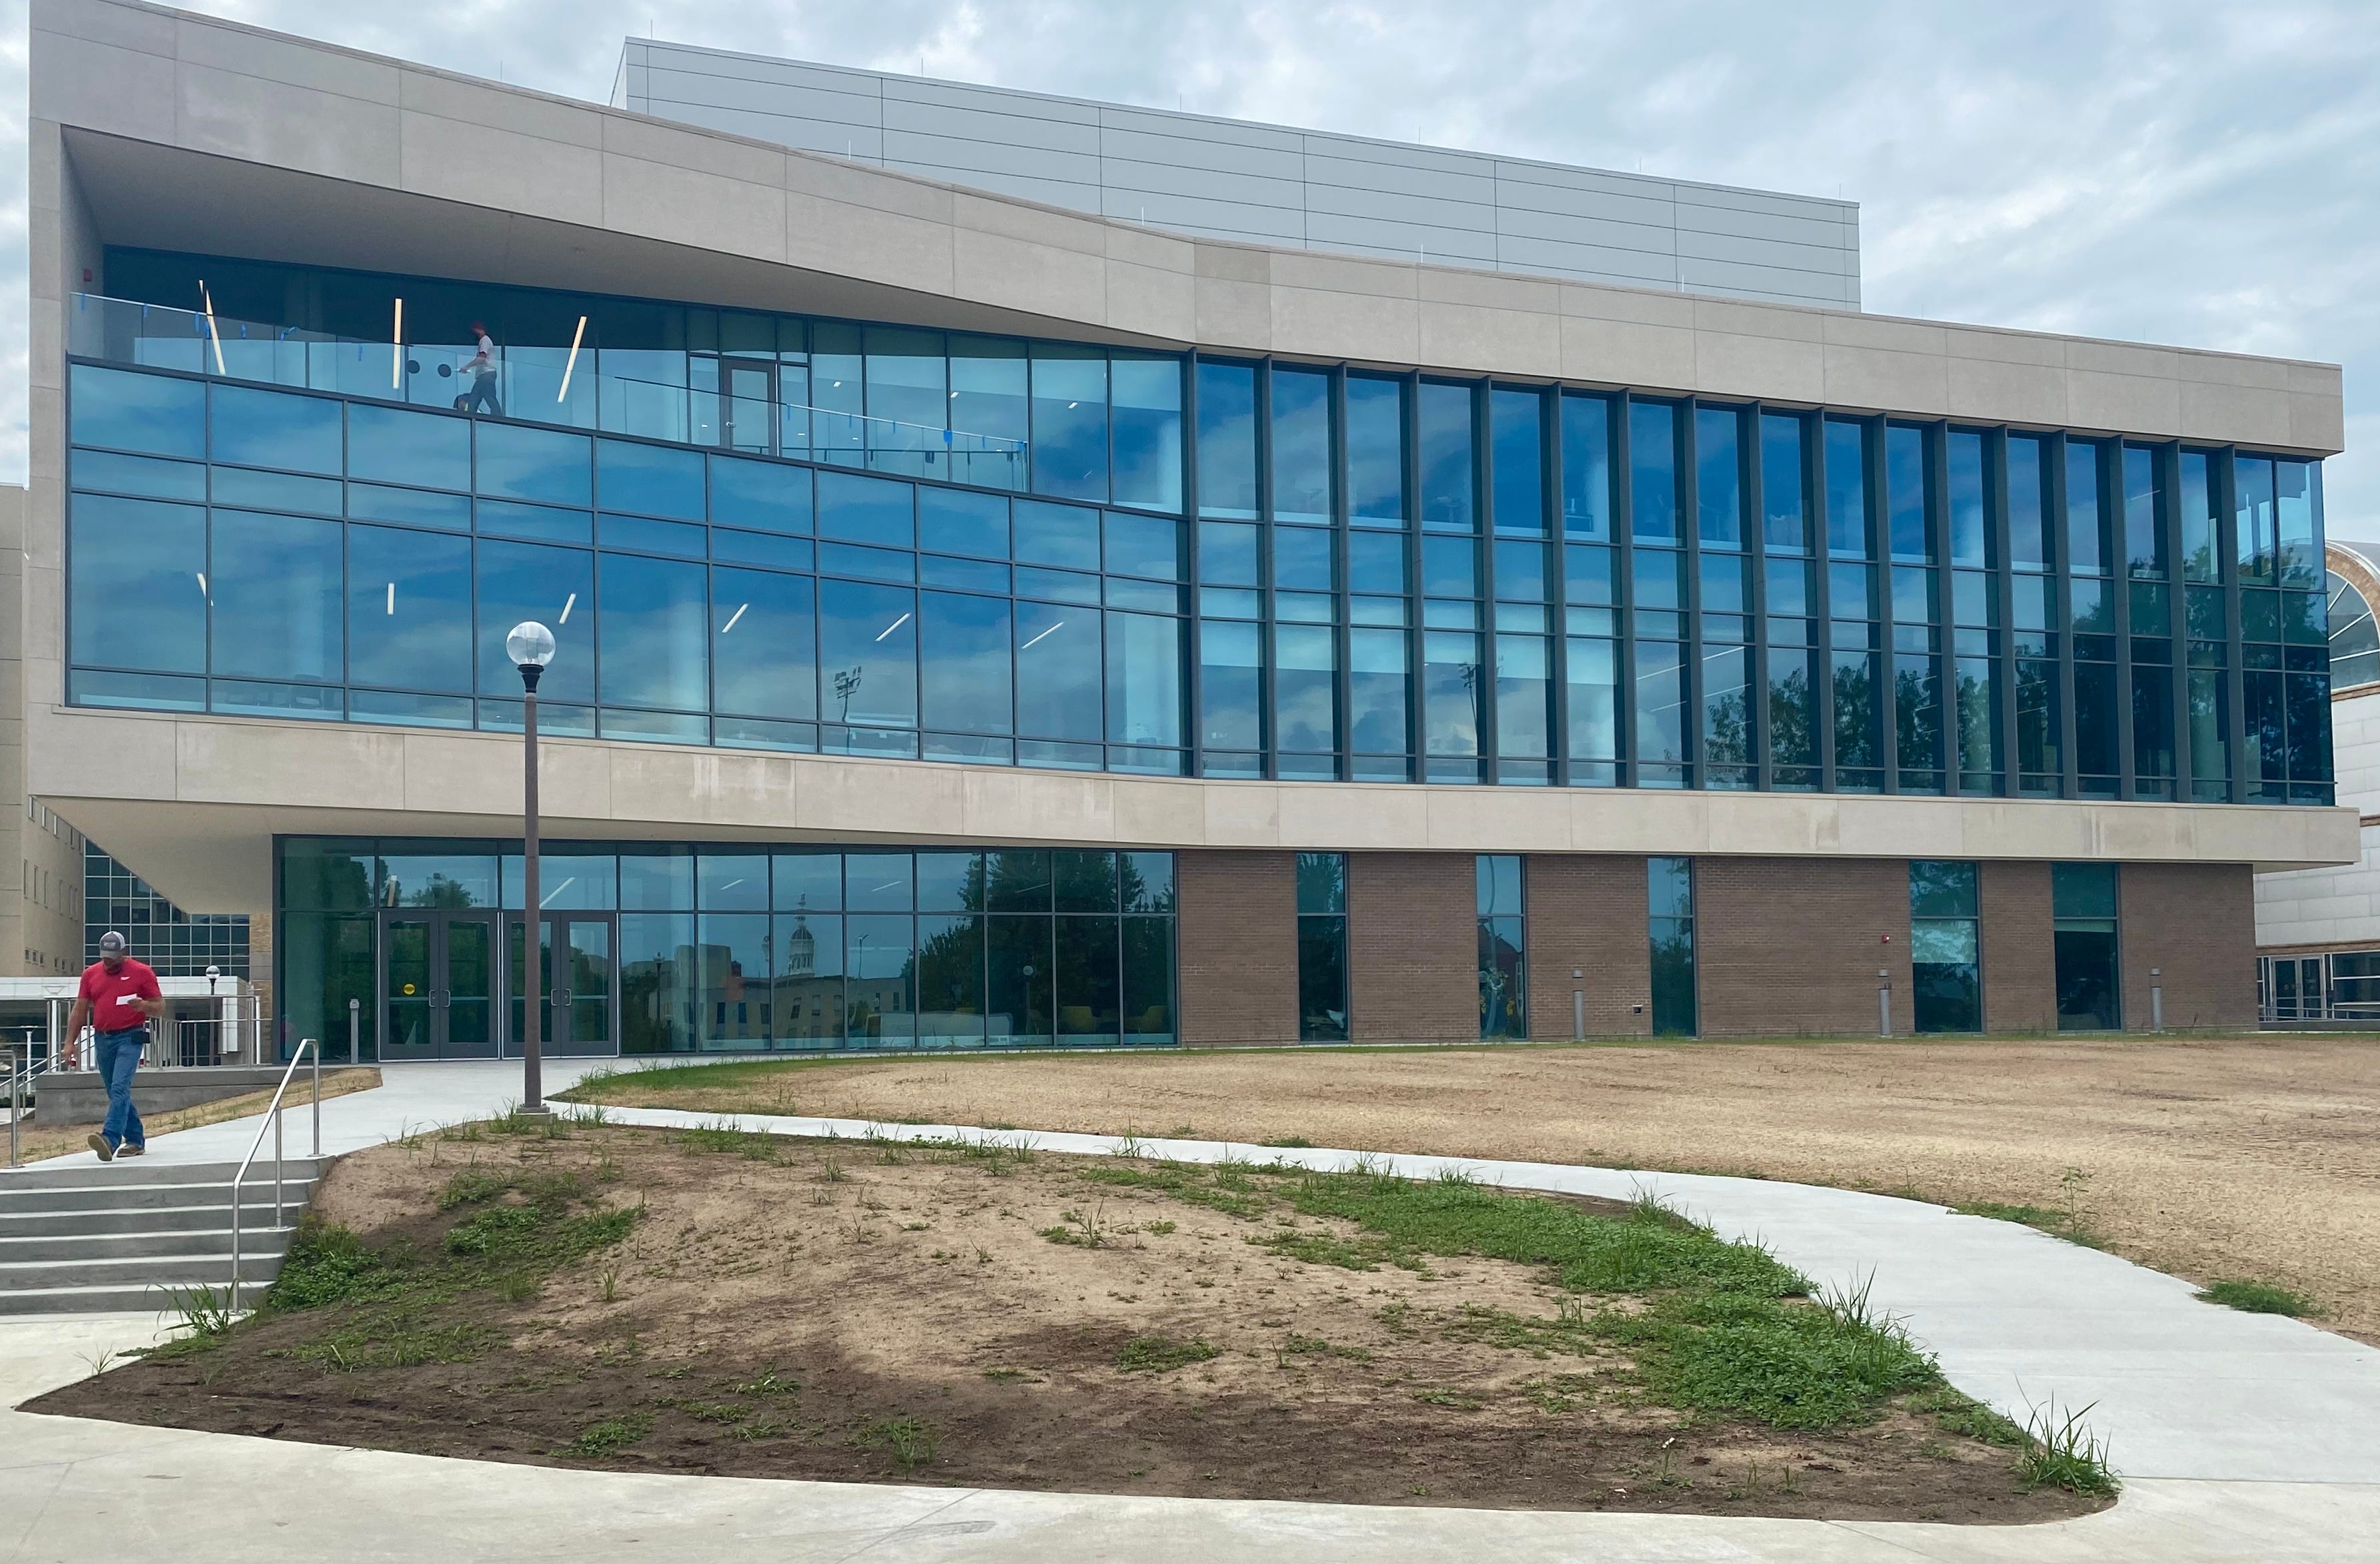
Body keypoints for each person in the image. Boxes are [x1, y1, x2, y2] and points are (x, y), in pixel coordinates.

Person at [67, 931, 162, 1162]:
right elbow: (80, 1009)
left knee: (120, 1087)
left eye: (112, 955)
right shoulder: (91, 974)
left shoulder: (142, 972)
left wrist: (143, 1006)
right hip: (103, 1038)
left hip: (130, 1037)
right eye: (104, 956)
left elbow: (160, 1007)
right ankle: (136, 1140)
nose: (108, 961)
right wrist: (70, 1042)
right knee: (113, 1090)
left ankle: (110, 1139)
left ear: (123, 952)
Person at [455, 322, 504, 416]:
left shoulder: (484, 340)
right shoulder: (486, 341)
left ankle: (497, 417)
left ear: (479, 329)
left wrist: (466, 367)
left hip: (486, 375)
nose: (474, 334)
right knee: (476, 398)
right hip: (485, 375)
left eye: (475, 331)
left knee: (487, 397)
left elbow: (482, 358)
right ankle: (471, 417)